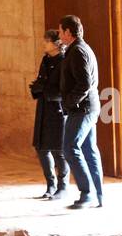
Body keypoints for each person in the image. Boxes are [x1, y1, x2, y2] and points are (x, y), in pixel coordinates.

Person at [58, 14, 104, 209]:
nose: (59, 35)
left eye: (61, 31)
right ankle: (98, 195)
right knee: (88, 150)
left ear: (68, 32)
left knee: (70, 148)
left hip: (82, 109)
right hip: (88, 106)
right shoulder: (81, 48)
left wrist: (69, 102)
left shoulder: (77, 51)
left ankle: (87, 193)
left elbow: (84, 83)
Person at [29, 31, 70, 199]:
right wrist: (38, 88)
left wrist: (44, 88)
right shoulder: (46, 60)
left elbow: (62, 87)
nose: (44, 44)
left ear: (56, 43)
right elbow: (41, 81)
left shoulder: (64, 61)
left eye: (47, 41)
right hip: (44, 106)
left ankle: (62, 186)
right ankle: (50, 185)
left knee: (58, 149)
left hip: (58, 108)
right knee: (41, 147)